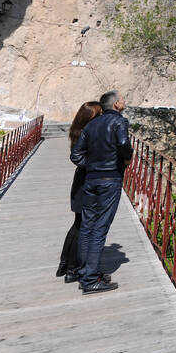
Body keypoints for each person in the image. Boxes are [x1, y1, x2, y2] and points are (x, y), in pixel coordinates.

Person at [70, 90, 132, 294]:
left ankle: (86, 272)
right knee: (100, 227)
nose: (124, 101)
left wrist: (93, 165)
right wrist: (125, 161)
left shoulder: (91, 125)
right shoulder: (119, 122)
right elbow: (124, 144)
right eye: (122, 99)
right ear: (116, 105)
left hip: (90, 180)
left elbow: (76, 154)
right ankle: (90, 280)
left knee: (87, 225)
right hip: (109, 180)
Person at [57, 100, 103, 282]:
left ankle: (67, 266)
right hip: (86, 183)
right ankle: (73, 269)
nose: (102, 117)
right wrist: (96, 166)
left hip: (81, 183)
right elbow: (76, 157)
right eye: (98, 115)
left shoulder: (79, 132)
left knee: (78, 225)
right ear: (90, 118)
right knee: (83, 226)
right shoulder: (87, 133)